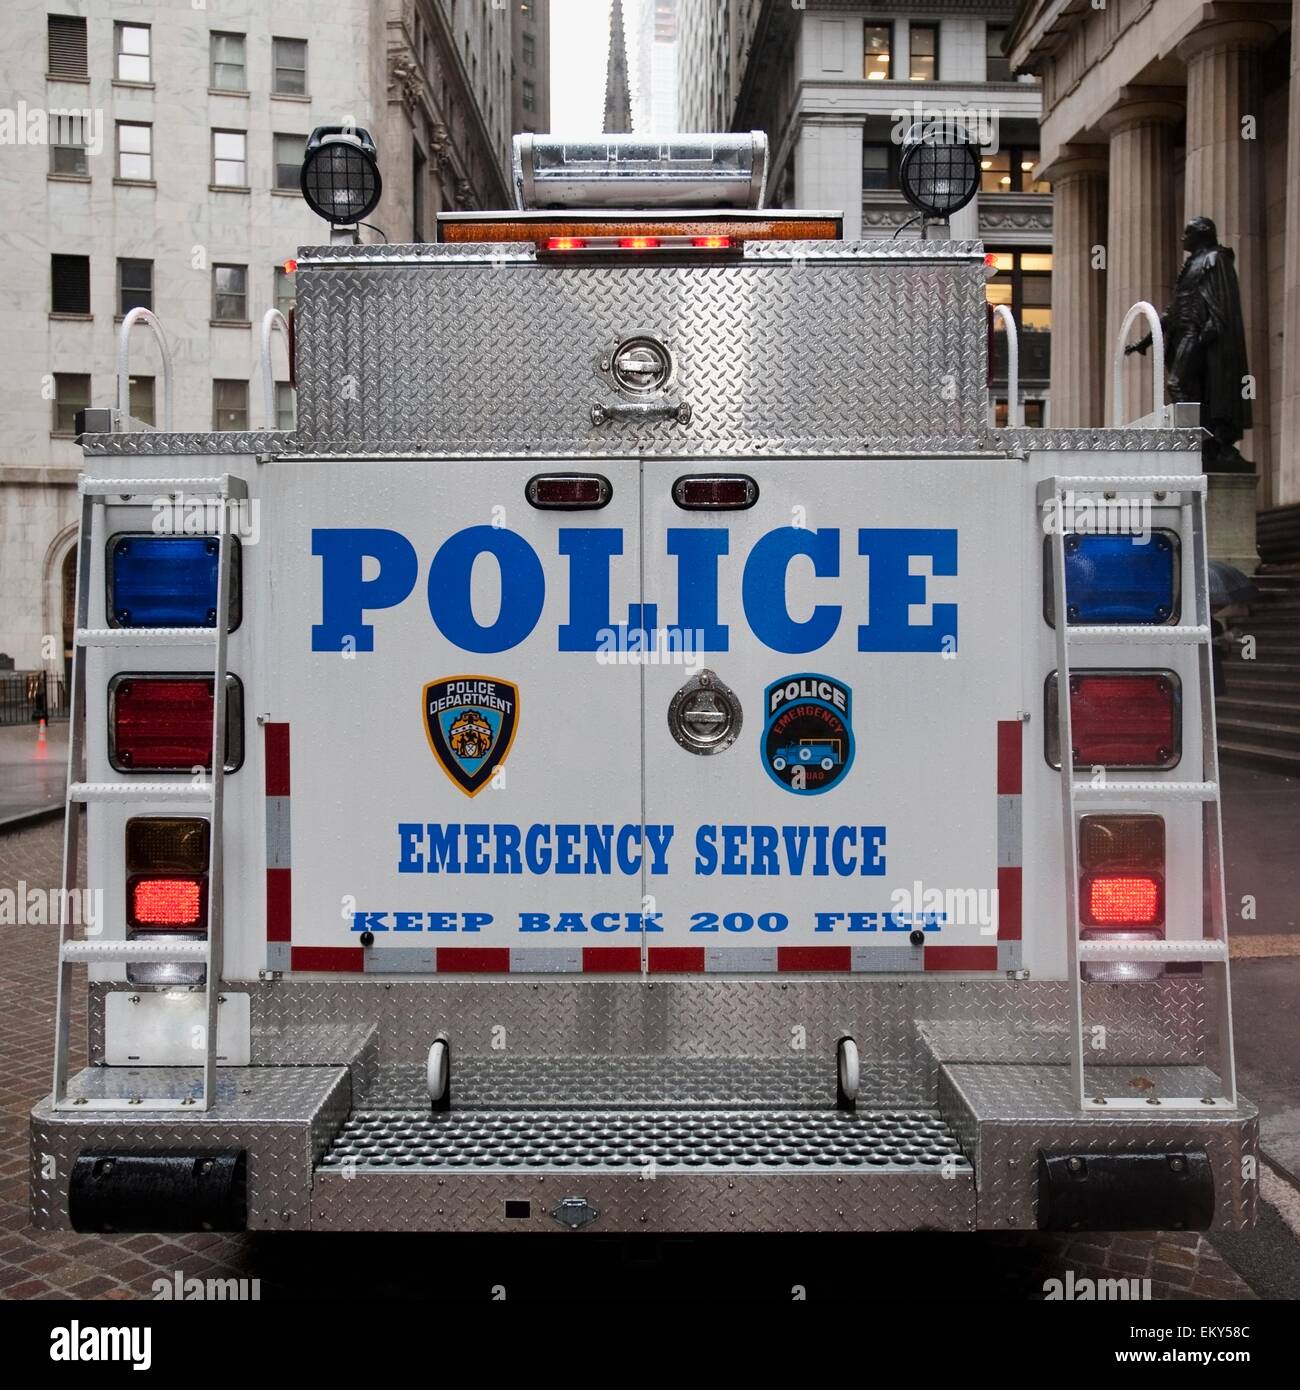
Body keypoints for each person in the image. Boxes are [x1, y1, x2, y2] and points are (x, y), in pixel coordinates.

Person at [1126, 217, 1252, 471]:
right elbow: (1174, 310)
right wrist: (1145, 341)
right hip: (1186, 336)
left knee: (1176, 383)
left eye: (1189, 232)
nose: (1183, 237)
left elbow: (1222, 305)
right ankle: (1202, 442)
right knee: (1185, 387)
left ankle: (1203, 442)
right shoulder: (1192, 266)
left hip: (1201, 336)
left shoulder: (1215, 260)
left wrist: (1209, 333)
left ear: (1203, 234)